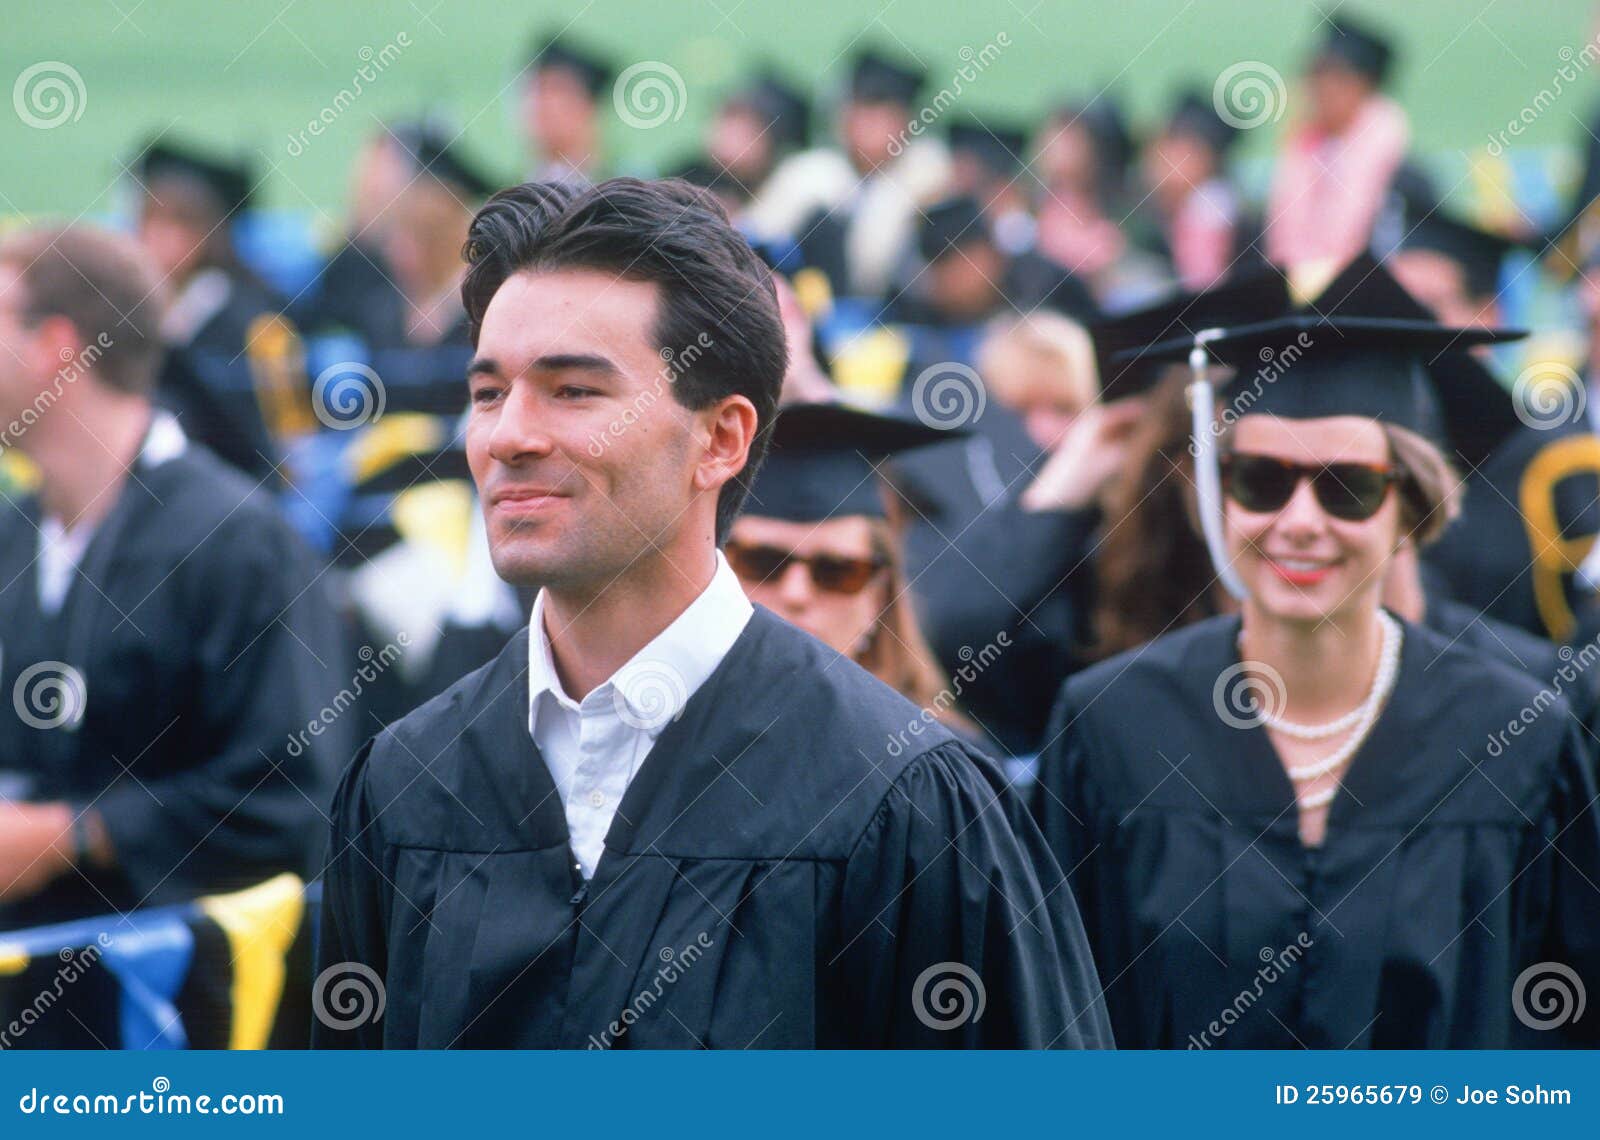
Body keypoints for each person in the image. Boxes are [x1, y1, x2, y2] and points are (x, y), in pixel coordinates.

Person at [314, 177, 1110, 1049]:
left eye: (574, 391)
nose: (509, 435)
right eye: (489, 392)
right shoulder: (405, 788)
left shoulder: (904, 798)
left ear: (722, 439)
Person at [1031, 284, 1600, 1048]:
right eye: (1261, 481)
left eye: (1348, 489)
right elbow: (1049, 1016)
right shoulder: (1112, 726)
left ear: (1411, 506)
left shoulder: (1513, 736)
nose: (1300, 523)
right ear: (1218, 495)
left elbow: (1567, 1036)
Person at [0, 224, 343, 930]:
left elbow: (292, 798)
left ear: (54, 346)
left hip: (173, 1008)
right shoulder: (14, 536)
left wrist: (77, 835)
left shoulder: (239, 543)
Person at [728, 401, 976, 737]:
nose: (796, 594)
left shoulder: (935, 765)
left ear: (880, 595)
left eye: (838, 571)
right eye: (762, 562)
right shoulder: (658, 736)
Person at [134, 139, 311, 481]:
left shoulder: (260, 325)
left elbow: (292, 455)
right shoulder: (135, 319)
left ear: (207, 233)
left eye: (170, 224)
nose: (149, 239)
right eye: (146, 222)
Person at [745, 47, 951, 299]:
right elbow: (759, 237)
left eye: (879, 114)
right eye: (857, 110)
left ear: (905, 121)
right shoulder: (809, 173)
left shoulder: (927, 174)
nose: (865, 126)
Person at [1263, 14, 1416, 267]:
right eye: (1316, 75)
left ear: (1365, 86)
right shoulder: (1304, 148)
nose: (1320, 88)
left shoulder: (1402, 178)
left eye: (1336, 78)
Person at [1141, 90, 1253, 290]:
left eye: (1174, 150)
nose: (1159, 159)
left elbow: (1202, 285)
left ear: (1205, 159)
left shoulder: (1209, 206)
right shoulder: (1172, 206)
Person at [518, 32, 611, 186]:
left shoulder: (625, 190)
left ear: (588, 106)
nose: (539, 104)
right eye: (535, 91)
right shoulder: (512, 193)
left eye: (556, 91)